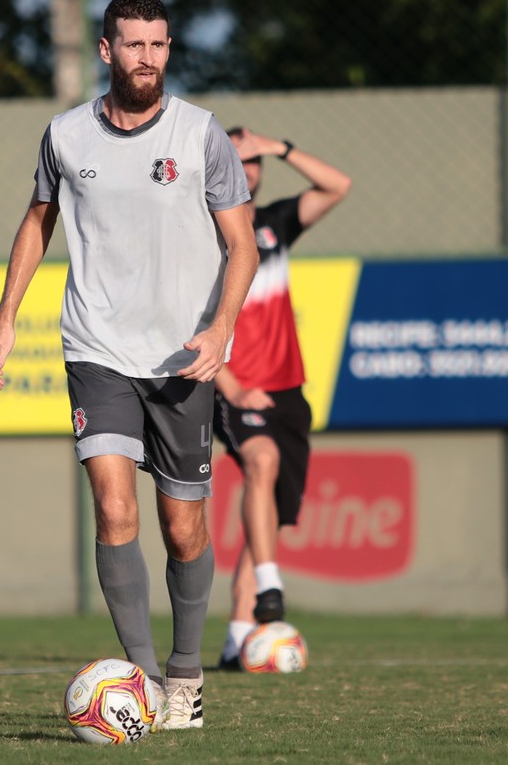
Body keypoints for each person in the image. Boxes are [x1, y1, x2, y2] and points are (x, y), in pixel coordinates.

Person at [0, 0, 258, 729]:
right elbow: (37, 223)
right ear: (106, 50)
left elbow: (243, 245)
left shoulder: (201, 135)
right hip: (95, 347)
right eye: (134, 45)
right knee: (112, 504)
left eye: (159, 44)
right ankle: (138, 679)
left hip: (181, 357)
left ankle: (186, 677)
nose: (148, 58)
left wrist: (221, 327)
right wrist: (6, 316)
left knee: (184, 529)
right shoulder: (66, 135)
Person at [212, 127, 351, 670]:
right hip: (235, 384)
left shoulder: (272, 226)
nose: (247, 173)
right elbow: (187, 322)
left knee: (267, 512)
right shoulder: (204, 236)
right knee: (260, 463)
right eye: (237, 162)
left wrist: (280, 148)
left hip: (289, 390)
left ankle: (237, 638)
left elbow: (338, 186)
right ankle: (270, 590)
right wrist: (230, 384)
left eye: (254, 166)